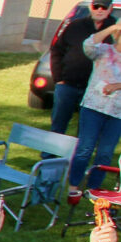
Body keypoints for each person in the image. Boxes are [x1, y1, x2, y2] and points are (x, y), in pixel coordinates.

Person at [67, 22, 121, 197]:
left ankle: (93, 188)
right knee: (85, 148)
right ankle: (73, 185)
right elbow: (88, 45)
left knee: (105, 153)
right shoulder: (104, 50)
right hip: (93, 107)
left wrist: (117, 86)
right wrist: (112, 28)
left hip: (117, 113)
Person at [49, 0, 116, 139]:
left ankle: (78, 152)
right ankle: (50, 151)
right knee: (58, 125)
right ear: (90, 7)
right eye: (96, 6)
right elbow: (56, 50)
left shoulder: (115, 30)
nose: (99, 10)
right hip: (68, 84)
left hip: (96, 90)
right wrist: (58, 78)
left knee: (86, 131)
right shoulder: (75, 25)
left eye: (104, 7)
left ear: (110, 9)